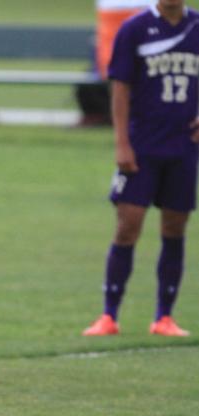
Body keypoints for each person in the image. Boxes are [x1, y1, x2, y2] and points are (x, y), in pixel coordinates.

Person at [83, 0, 197, 337]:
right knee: (128, 224)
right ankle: (109, 315)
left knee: (175, 226)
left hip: (183, 146)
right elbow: (120, 87)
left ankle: (164, 317)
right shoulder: (134, 28)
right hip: (142, 145)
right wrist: (121, 142)